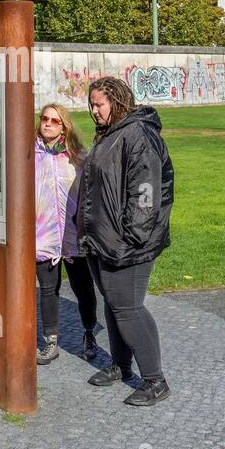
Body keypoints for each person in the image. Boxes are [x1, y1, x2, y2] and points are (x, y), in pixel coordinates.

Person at [76, 76, 174, 407]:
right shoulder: (110, 133)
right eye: (91, 105)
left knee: (128, 307)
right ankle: (121, 365)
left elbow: (146, 190)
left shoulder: (138, 134)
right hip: (102, 238)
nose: (94, 111)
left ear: (116, 102)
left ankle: (155, 381)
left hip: (128, 242)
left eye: (99, 104)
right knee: (113, 303)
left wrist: (133, 236)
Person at [33, 103, 100, 365]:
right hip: (43, 236)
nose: (48, 124)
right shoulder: (29, 155)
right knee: (48, 289)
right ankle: (51, 341)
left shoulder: (78, 156)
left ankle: (89, 333)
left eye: (54, 120)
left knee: (83, 288)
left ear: (64, 127)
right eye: (44, 119)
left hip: (74, 234)